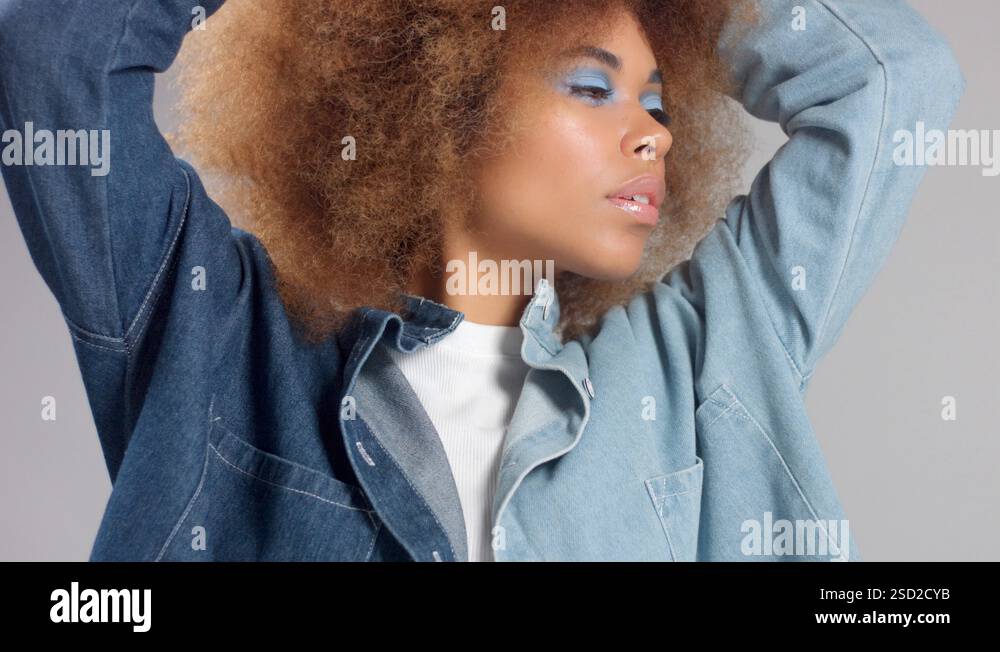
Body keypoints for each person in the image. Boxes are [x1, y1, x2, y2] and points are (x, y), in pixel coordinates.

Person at [0, 0, 964, 561]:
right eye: (592, 87)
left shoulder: (703, 357)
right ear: (439, 109)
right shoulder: (215, 340)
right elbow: (55, 53)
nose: (656, 133)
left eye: (659, 101)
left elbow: (891, 80)